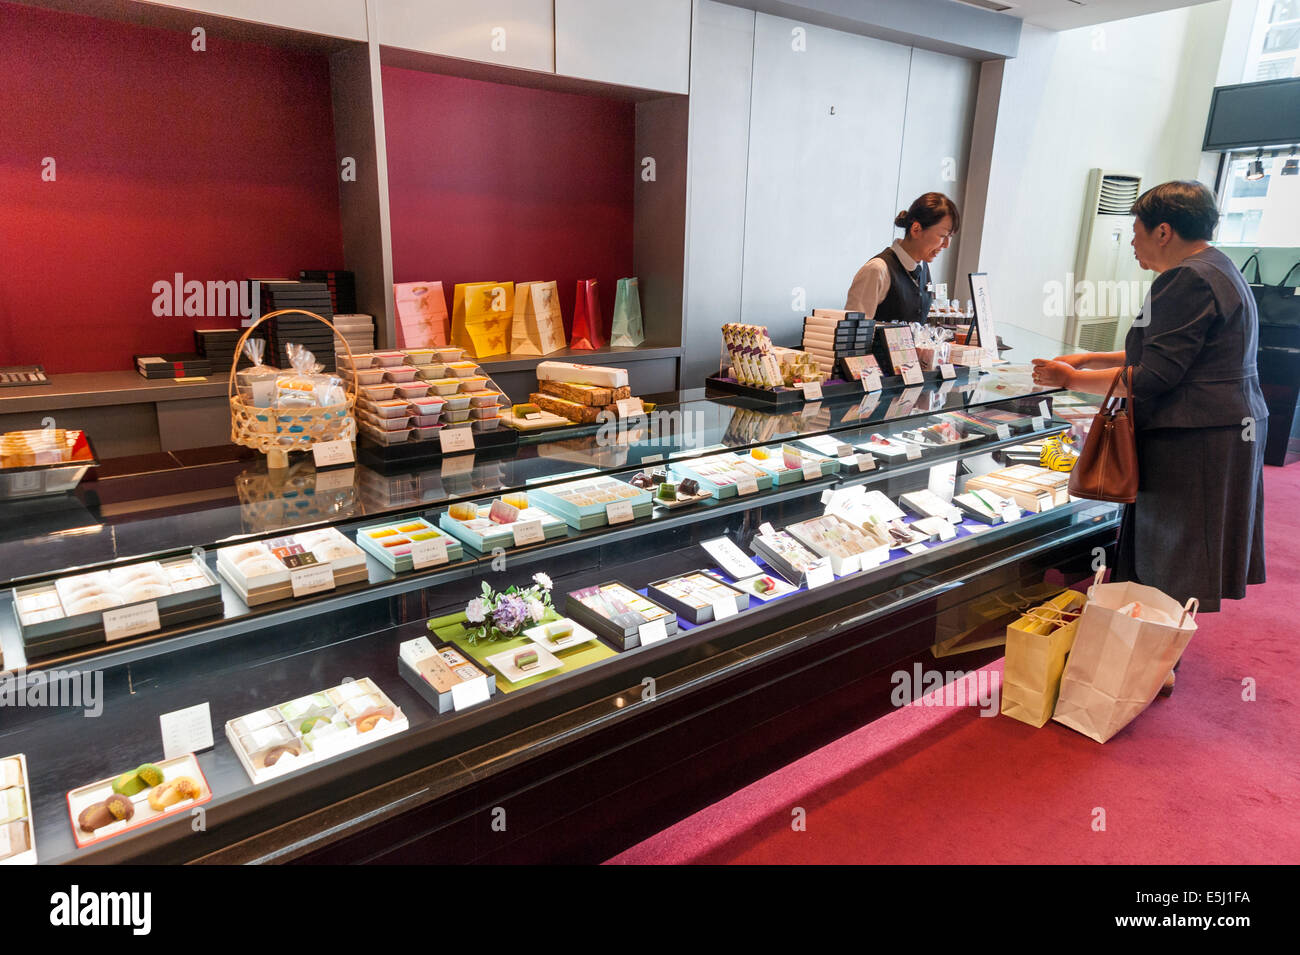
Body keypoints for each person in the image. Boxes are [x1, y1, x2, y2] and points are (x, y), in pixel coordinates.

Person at [1032, 180, 1268, 646]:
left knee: (1172, 549)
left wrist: (1071, 382)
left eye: (1136, 231)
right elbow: (1169, 356)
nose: (1133, 243)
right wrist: (1088, 360)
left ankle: (1146, 660)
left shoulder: (1186, 278)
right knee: (1174, 545)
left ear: (1163, 231)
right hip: (1222, 427)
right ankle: (1150, 652)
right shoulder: (1217, 266)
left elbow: (1155, 376)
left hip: (1195, 435)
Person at [845, 192, 960, 323]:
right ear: (916, 229)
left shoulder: (923, 267)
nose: (946, 245)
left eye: (950, 236)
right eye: (942, 236)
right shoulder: (878, 270)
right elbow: (852, 333)